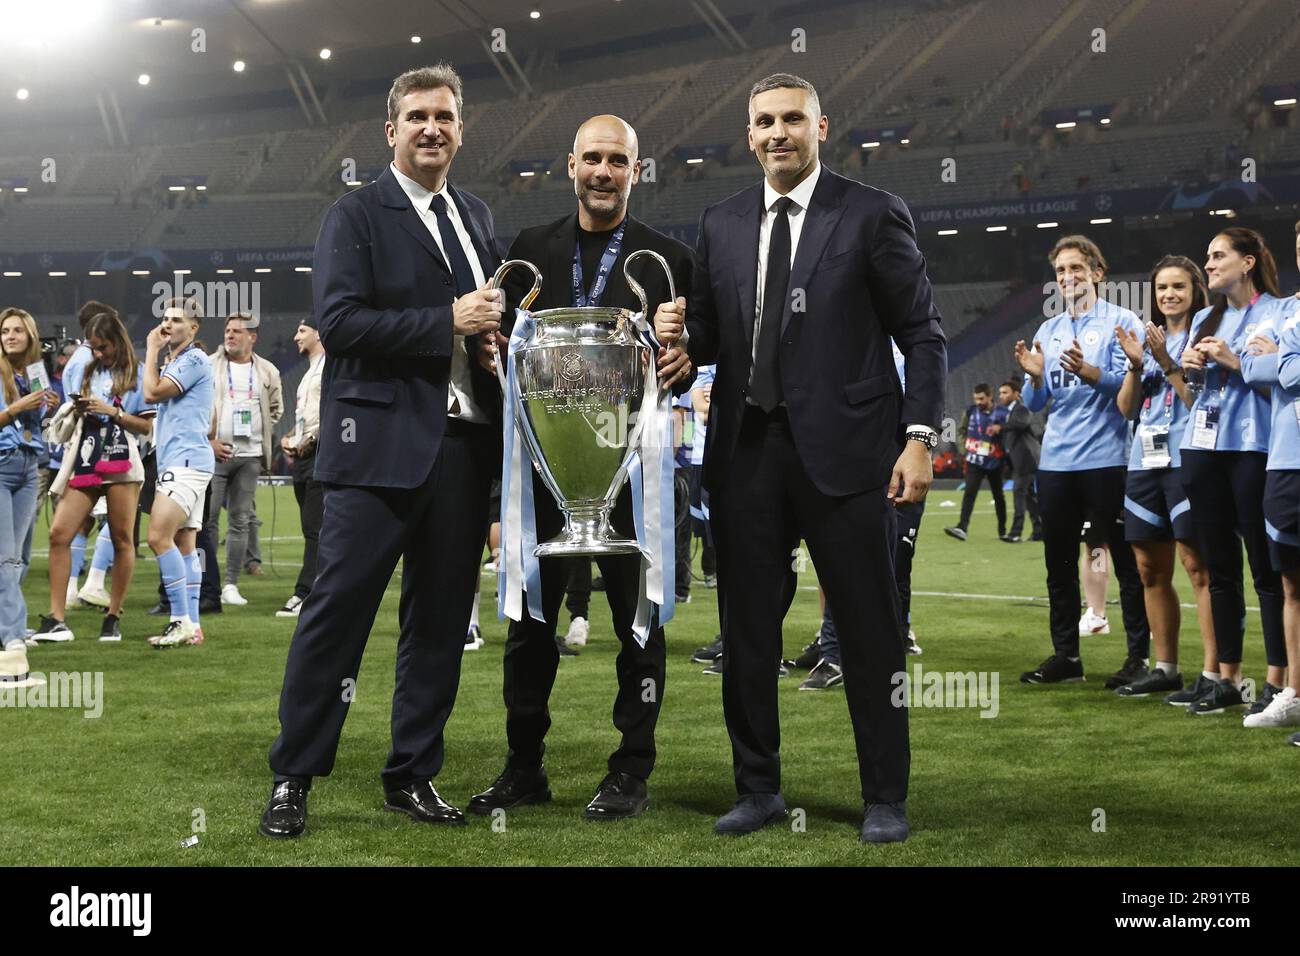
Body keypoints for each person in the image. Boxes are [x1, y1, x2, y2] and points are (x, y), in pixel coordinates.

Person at [657, 73, 946, 843]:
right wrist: (680, 338)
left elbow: (922, 334)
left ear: (823, 127)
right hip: (745, 453)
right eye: (764, 122)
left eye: (792, 119)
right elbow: (714, 340)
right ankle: (757, 788)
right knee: (748, 631)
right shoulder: (718, 222)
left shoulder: (872, 212)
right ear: (747, 135)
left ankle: (885, 794)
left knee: (870, 628)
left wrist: (920, 438)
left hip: (851, 454)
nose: (778, 132)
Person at [261, 64, 504, 839]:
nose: (432, 128)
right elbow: (339, 322)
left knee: (438, 623)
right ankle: (293, 777)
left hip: (462, 447)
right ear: (390, 130)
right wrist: (448, 320)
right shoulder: (356, 214)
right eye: (418, 116)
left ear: (461, 129)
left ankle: (413, 774)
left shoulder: (475, 214)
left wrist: (490, 345)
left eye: (446, 116)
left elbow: (476, 327)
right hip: (373, 450)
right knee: (337, 617)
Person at [469, 113, 693, 822]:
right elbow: (499, 341)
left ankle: (631, 768)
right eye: (592, 159)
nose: (603, 172)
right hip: (546, 465)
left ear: (636, 169)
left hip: (634, 465)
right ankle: (523, 764)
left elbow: (684, 362)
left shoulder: (666, 257)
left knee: (638, 619)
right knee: (531, 619)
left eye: (617, 161)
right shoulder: (531, 248)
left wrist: (682, 358)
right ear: (571, 165)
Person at [1014, 234, 1151, 688]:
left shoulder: (1121, 321)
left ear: (1097, 272)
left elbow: (1132, 391)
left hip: (1107, 459)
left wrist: (1096, 375)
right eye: (1060, 272)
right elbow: (1036, 403)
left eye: (1076, 268)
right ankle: (1066, 656)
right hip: (1056, 463)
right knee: (1057, 563)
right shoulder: (1047, 331)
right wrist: (1034, 377)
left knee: (1127, 562)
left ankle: (1137, 659)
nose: (1068, 277)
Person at [1178, 226, 1287, 715]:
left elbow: (1284, 383)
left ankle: (1275, 681)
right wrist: (1189, 366)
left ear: (1247, 262)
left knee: (1265, 568)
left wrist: (1235, 360)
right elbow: (1197, 390)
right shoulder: (1205, 316)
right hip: (1203, 446)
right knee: (1220, 567)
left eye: (1218, 254)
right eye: (1207, 254)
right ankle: (1228, 678)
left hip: (1255, 446)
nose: (1209, 263)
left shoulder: (1281, 313)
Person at [1112, 255, 1217, 700]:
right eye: (1161, 288)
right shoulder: (1145, 338)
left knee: (1198, 567)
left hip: (1187, 459)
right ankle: (1165, 667)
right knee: (1148, 569)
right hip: (1143, 463)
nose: (1169, 295)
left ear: (1195, 290)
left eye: (1178, 286)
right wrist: (1138, 364)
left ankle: (1214, 673)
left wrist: (1167, 361)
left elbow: (1200, 404)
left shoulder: (1208, 336)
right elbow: (1126, 409)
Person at [33, 311, 155, 643]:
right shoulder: (88, 369)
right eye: (93, 347)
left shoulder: (138, 373)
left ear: (118, 341)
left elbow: (147, 426)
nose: (98, 354)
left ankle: (112, 617)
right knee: (59, 533)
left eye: (102, 347)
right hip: (86, 457)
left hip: (121, 462)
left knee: (121, 539)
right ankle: (57, 618)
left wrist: (112, 411)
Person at [142, 298, 214, 649]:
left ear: (194, 327)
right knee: (186, 543)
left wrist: (150, 350)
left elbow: (151, 392)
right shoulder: (181, 363)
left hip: (185, 463)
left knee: (158, 536)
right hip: (186, 460)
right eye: (164, 319)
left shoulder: (193, 359)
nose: (167, 324)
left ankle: (179, 619)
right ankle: (194, 625)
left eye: (176, 319)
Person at [1254, 220, 1300, 733]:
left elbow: (1282, 371)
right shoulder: (1287, 309)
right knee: (1291, 581)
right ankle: (1294, 692)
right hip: (1285, 459)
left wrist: (1285, 358)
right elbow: (1251, 364)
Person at [205, 312, 283, 607]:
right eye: (228, 330)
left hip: (249, 457)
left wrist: (258, 433)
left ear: (253, 337)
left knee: (240, 520)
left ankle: (230, 584)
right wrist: (209, 439)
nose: (230, 335)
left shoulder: (267, 371)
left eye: (237, 331)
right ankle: (207, 581)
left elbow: (275, 409)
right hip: (214, 454)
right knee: (207, 521)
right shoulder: (210, 365)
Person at [0, 309, 59, 659]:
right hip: (2, 463)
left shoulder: (35, 372)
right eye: (4, 330)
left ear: (30, 336)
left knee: (20, 556)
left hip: (29, 465)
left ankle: (9, 625)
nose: (9, 336)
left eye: (17, 330)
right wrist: (17, 406)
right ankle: (12, 634)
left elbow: (38, 421)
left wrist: (47, 406)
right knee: (6, 558)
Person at [275, 319, 325, 619]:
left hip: (321, 453)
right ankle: (315, 592)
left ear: (318, 333)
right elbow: (310, 416)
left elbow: (330, 413)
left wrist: (311, 439)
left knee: (316, 529)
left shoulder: (330, 367)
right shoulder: (309, 372)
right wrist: (291, 435)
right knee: (312, 528)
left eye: (302, 331)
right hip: (305, 455)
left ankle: (306, 593)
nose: (296, 337)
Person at [944, 383, 1007, 541]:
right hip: (974, 460)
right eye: (976, 398)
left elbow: (1009, 431)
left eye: (981, 398)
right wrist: (964, 450)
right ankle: (962, 527)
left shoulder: (1002, 413)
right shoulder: (970, 411)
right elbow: (961, 430)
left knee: (998, 495)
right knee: (969, 493)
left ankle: (1003, 530)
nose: (978, 402)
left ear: (990, 396)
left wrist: (1002, 429)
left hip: (995, 461)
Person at [996, 379, 1041, 542]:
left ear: (1016, 394)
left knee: (1019, 494)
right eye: (1000, 392)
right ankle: (1039, 531)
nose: (1001, 396)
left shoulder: (1021, 408)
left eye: (1005, 392)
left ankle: (1016, 533)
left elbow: (1021, 423)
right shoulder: (1009, 410)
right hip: (1022, 459)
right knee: (1029, 496)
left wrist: (1001, 427)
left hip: (1027, 459)